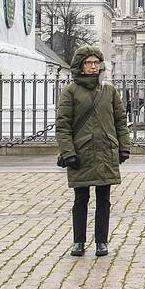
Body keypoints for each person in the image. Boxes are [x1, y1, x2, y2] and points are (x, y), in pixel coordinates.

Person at [55, 46, 131, 257]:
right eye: (88, 63)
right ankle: (78, 241)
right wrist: (68, 151)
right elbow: (63, 125)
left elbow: (120, 121)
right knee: (81, 199)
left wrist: (123, 147)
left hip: (105, 151)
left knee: (104, 199)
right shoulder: (70, 92)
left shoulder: (109, 91)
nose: (92, 66)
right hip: (81, 153)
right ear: (80, 65)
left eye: (95, 63)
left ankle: (101, 241)